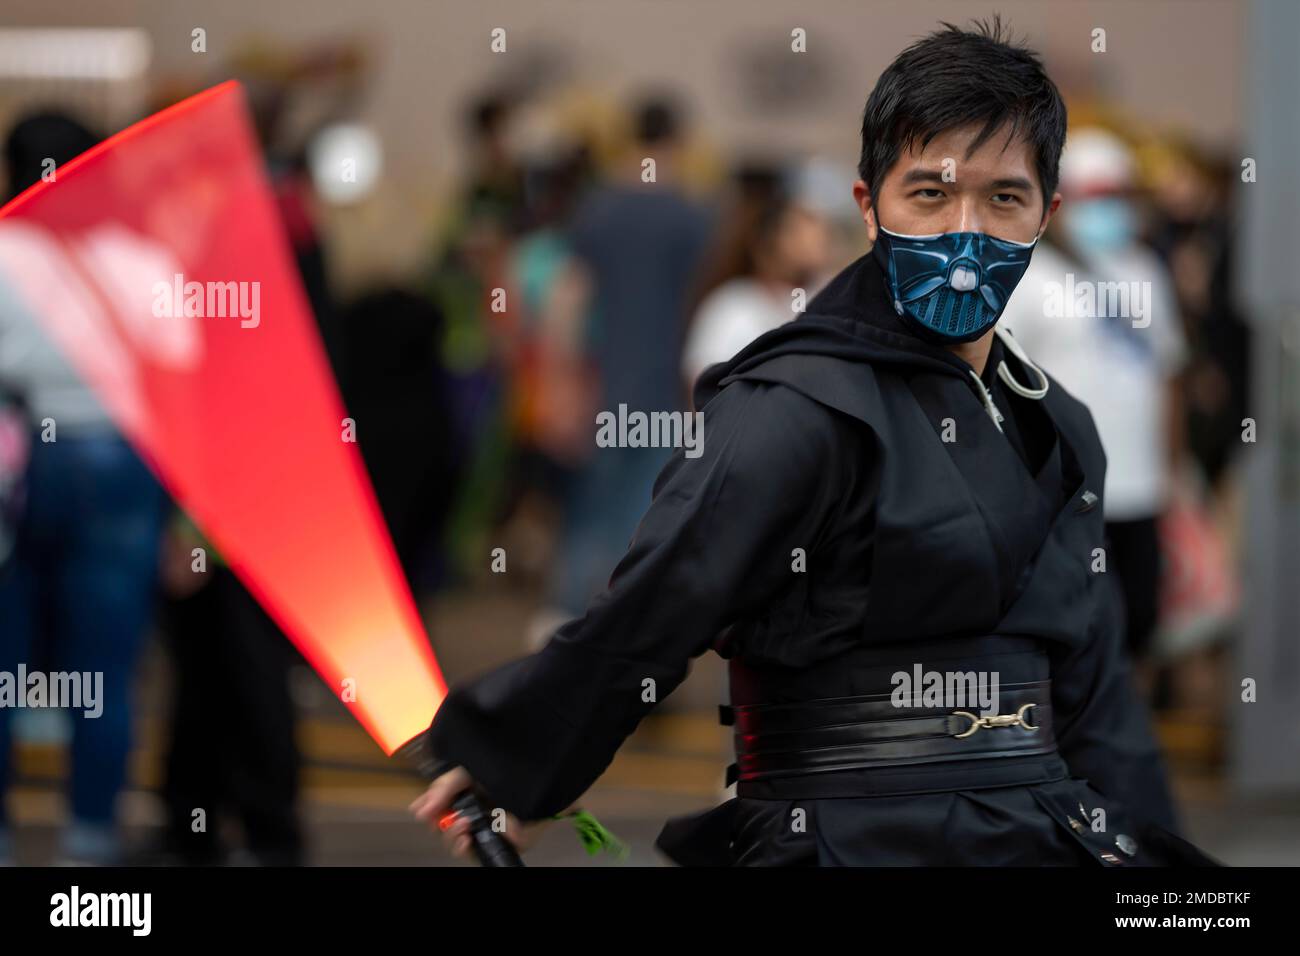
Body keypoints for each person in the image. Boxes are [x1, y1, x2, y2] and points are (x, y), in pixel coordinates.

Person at [411, 18, 1220, 867]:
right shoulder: (793, 408)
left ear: (1044, 216)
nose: (963, 235)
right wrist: (518, 765)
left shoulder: (1058, 427)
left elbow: (1100, 714)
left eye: (1003, 199)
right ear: (870, 207)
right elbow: (657, 607)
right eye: (931, 193)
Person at [1001, 128, 1190, 682]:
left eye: (1118, 194)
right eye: (1094, 195)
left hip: (1142, 488)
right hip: (1066, 491)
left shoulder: (1147, 271)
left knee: (1140, 621)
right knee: (1071, 624)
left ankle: (1119, 735)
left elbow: (1168, 374)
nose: (1107, 208)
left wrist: (1173, 471)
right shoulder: (1031, 277)